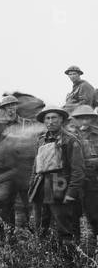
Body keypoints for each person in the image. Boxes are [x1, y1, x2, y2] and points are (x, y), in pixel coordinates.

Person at [29, 105, 85, 248]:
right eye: (47, 118)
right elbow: (36, 167)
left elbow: (78, 171)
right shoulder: (41, 140)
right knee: (41, 228)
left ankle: (70, 264)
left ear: (61, 120)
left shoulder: (70, 141)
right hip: (41, 188)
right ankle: (46, 263)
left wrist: (71, 193)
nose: (50, 121)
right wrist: (32, 188)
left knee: (65, 230)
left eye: (54, 117)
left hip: (60, 189)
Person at [70, 106, 98, 243]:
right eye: (80, 118)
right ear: (75, 120)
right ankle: (75, 245)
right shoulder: (69, 135)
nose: (84, 121)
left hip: (92, 179)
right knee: (73, 214)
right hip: (73, 180)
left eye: (88, 117)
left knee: (93, 213)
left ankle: (95, 239)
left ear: (92, 119)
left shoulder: (97, 134)